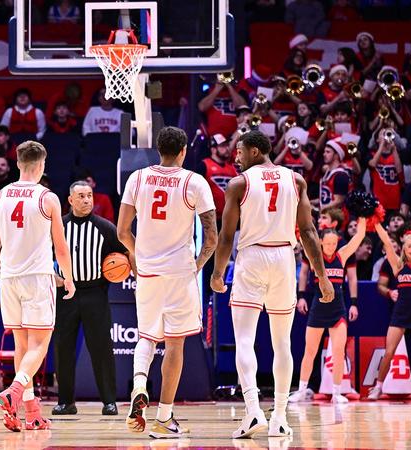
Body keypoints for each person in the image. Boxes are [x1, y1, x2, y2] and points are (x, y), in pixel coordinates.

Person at [210, 131, 333, 438]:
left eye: (239, 151)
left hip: (252, 256)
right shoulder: (296, 180)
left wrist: (217, 272)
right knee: (282, 344)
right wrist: (322, 275)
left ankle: (253, 412)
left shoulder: (239, 183)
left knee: (244, 341)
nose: (235, 157)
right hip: (283, 257)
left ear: (254, 151)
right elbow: (308, 232)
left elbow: (226, 236)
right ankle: (279, 417)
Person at [116, 127, 217, 438]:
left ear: (157, 149)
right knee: (174, 344)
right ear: (184, 150)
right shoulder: (195, 182)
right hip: (179, 273)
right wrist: (197, 266)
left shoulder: (137, 178)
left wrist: (139, 254)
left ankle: (139, 384)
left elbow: (122, 233)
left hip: (147, 271)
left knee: (146, 335)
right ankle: (164, 417)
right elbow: (211, 237)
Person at [0, 140, 75, 432]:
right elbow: (61, 248)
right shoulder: (47, 198)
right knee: (40, 345)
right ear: (42, 164)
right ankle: (14, 390)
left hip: (8, 279)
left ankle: (31, 411)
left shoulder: (0, 197)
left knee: (22, 345)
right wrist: (69, 278)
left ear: (18, 163)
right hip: (37, 277)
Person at [52, 181, 123, 417]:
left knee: (101, 348)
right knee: (63, 349)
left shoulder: (105, 227)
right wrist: (53, 276)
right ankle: (66, 402)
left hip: (95, 293)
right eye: (81, 196)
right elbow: (40, 255)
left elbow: (124, 254)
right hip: (65, 295)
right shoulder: (57, 226)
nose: (86, 200)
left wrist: (124, 271)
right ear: (70, 200)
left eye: (90, 195)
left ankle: (109, 401)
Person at [290, 219, 368, 404]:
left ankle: (336, 392)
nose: (331, 246)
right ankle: (301, 390)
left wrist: (364, 217)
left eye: (334, 243)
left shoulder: (341, 255)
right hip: (318, 308)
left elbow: (359, 237)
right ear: (321, 242)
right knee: (310, 351)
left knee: (339, 351)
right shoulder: (313, 254)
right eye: (328, 243)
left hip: (337, 310)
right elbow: (300, 234)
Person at [367, 225, 411, 401]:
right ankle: (378, 387)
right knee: (389, 351)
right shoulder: (398, 265)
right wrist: (376, 221)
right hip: (400, 314)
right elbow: (386, 241)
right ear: (403, 248)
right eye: (409, 246)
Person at [197, 134, 237, 224]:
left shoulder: (232, 168)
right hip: (211, 219)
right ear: (213, 149)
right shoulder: (204, 166)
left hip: (230, 218)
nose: (227, 148)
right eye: (222, 146)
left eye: (227, 145)